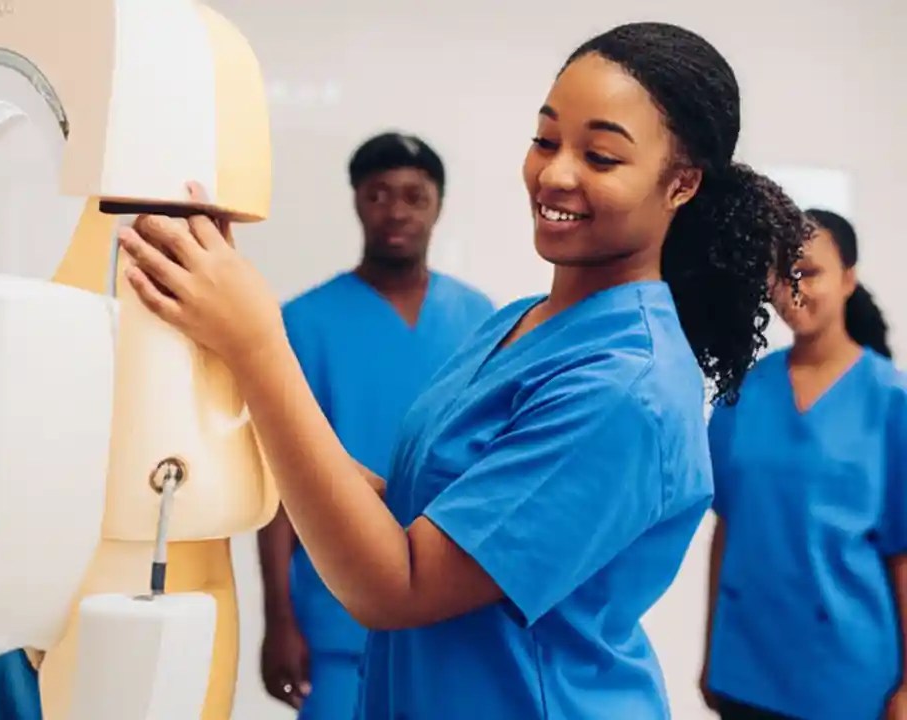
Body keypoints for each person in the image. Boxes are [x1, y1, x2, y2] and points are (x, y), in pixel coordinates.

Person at [117, 21, 808, 719]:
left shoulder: (628, 388)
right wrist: (228, 344)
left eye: (600, 156)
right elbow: (418, 511)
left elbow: (400, 583)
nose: (556, 173)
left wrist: (259, 346)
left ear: (680, 184)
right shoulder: (516, 322)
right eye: (545, 140)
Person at [257, 132, 496, 718]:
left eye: (415, 196)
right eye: (379, 194)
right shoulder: (303, 323)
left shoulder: (480, 319)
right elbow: (281, 484)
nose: (396, 211)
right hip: (338, 619)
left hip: (453, 612)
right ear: (357, 201)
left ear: (438, 205)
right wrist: (279, 618)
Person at [699, 209, 907, 720]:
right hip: (746, 668)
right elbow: (728, 529)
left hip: (846, 678)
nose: (791, 289)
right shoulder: (741, 394)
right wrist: (711, 652)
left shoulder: (890, 401)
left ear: (849, 277)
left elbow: (904, 556)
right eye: (779, 273)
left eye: (809, 272)